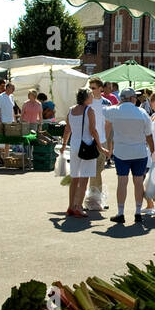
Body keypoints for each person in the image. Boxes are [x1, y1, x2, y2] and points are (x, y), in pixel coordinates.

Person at [105, 88, 155, 224]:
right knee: (138, 182)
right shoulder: (142, 113)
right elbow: (149, 136)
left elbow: (104, 114)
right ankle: (138, 212)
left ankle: (121, 213)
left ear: (122, 98)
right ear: (133, 98)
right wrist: (153, 151)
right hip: (139, 152)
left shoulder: (114, 111)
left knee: (122, 182)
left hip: (121, 152)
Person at [63, 88, 104, 219]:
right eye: (91, 95)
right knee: (84, 178)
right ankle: (78, 207)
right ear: (86, 97)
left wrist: (64, 144)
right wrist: (100, 146)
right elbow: (93, 130)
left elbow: (67, 129)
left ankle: (71, 206)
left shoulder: (71, 110)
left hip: (74, 145)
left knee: (74, 177)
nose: (92, 96)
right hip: (86, 146)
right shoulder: (89, 110)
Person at [85, 78, 109, 210]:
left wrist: (110, 144)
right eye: (90, 87)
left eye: (93, 88)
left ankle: (93, 199)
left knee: (98, 170)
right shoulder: (87, 103)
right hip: (89, 140)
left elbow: (109, 125)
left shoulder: (107, 103)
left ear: (101, 88)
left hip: (103, 140)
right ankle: (94, 200)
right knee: (93, 171)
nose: (91, 90)